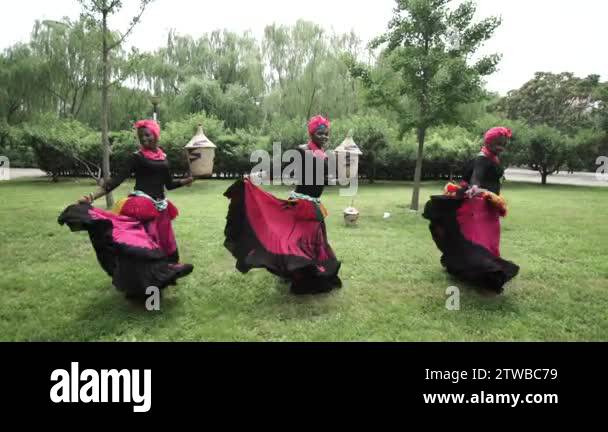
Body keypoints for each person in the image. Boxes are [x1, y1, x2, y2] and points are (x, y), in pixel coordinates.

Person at [58, 120, 194, 300]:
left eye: (147, 135)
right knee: (145, 248)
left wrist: (186, 181)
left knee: (162, 245)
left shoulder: (163, 157)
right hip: (142, 206)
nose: (144, 139)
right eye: (141, 136)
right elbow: (115, 181)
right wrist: (91, 197)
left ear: (156, 135)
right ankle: (146, 291)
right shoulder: (137, 157)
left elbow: (168, 184)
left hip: (161, 208)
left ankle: (159, 282)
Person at [223, 115, 342, 295]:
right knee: (300, 240)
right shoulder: (302, 151)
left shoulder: (324, 154)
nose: (324, 136)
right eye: (320, 133)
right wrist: (255, 177)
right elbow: (280, 168)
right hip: (302, 204)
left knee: (309, 242)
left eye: (326, 134)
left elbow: (320, 178)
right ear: (311, 133)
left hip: (315, 205)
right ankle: (301, 274)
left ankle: (303, 271)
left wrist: (333, 177)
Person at [422, 127, 520, 294]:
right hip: (478, 208)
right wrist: (474, 187)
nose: (501, 147)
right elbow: (477, 176)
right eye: (498, 143)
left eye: (504, 144)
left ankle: (479, 269)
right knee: (478, 241)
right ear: (488, 142)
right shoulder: (482, 159)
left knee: (488, 241)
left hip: (488, 208)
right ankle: (484, 272)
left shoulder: (492, 158)